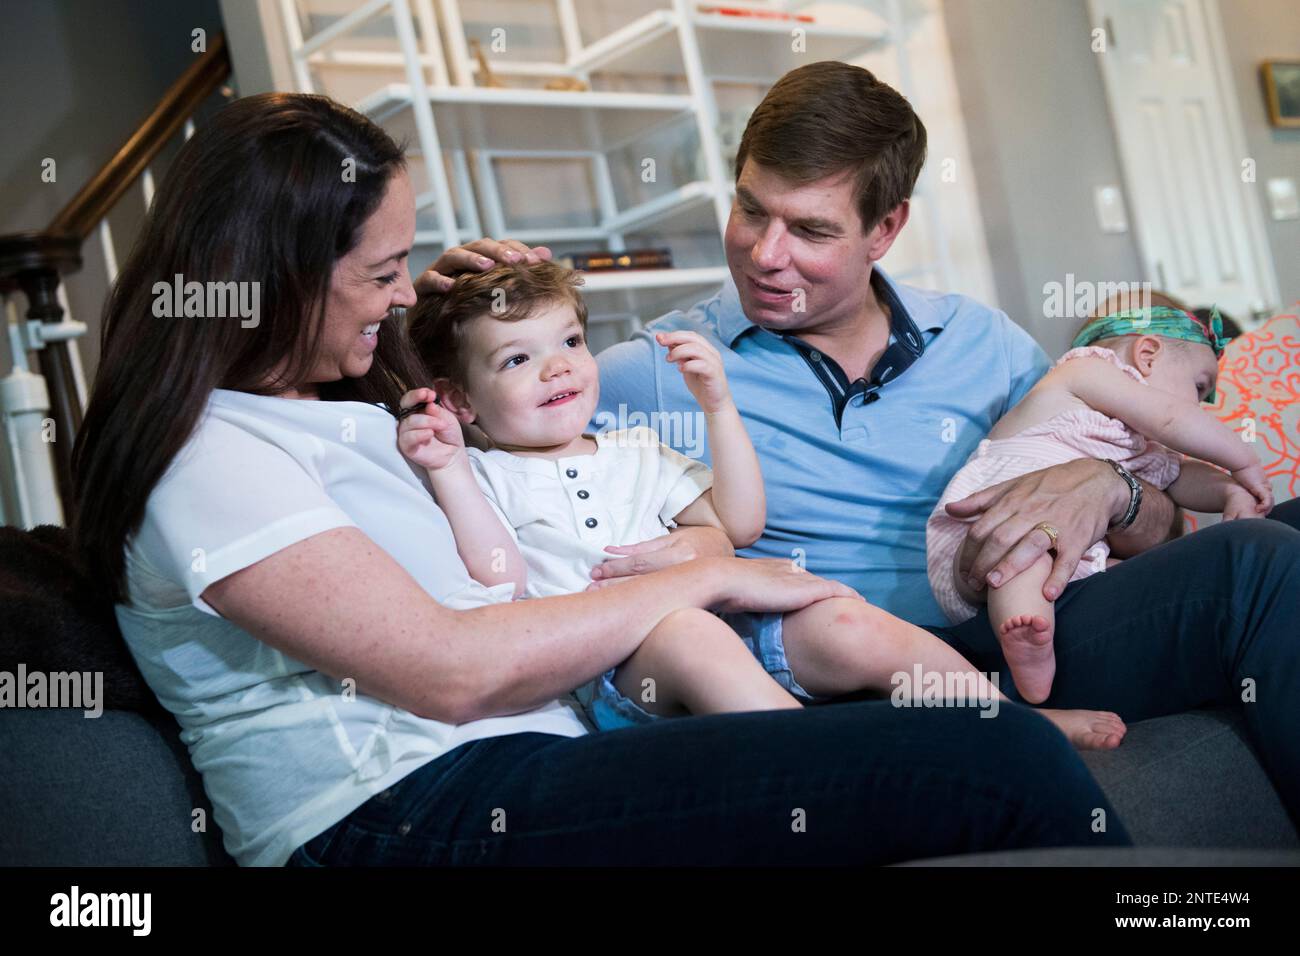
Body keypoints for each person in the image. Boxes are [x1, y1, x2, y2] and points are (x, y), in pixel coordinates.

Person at [70, 92, 1128, 867]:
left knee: (974, 749)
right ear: (282, 277)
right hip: (397, 814)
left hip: (527, 756)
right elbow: (447, 671)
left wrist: (449, 322)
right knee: (996, 765)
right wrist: (703, 581)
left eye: (408, 269)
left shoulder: (335, 405)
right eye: (383, 272)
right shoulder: (204, 456)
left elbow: (465, 435)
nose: (400, 296)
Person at [567, 61, 1300, 825]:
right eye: (751, 210)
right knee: (1255, 561)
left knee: (1283, 533)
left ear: (886, 229)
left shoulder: (984, 342)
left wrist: (1113, 489)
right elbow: (478, 430)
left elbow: (1168, 529)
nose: (764, 253)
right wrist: (450, 326)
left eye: (811, 229)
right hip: (853, 666)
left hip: (1034, 631)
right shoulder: (656, 371)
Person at [399, 260, 1124, 747]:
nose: (559, 365)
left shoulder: (634, 452)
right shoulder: (483, 474)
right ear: (461, 400)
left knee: (843, 621)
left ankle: (1015, 727)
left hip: (735, 633)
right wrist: (451, 472)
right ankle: (820, 776)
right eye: (517, 359)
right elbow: (500, 581)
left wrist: (718, 405)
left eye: (569, 340)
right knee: (685, 631)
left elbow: (737, 522)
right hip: (614, 679)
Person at [926, 305, 1273, 703]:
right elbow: (1172, 419)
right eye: (1199, 387)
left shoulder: (1136, 444)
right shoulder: (1084, 373)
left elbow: (1179, 476)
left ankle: (1043, 633)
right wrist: (1243, 461)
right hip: (995, 517)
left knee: (1128, 575)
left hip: (1067, 556)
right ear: (1147, 354)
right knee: (1029, 546)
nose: (1199, 407)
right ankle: (1027, 639)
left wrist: (1230, 490)